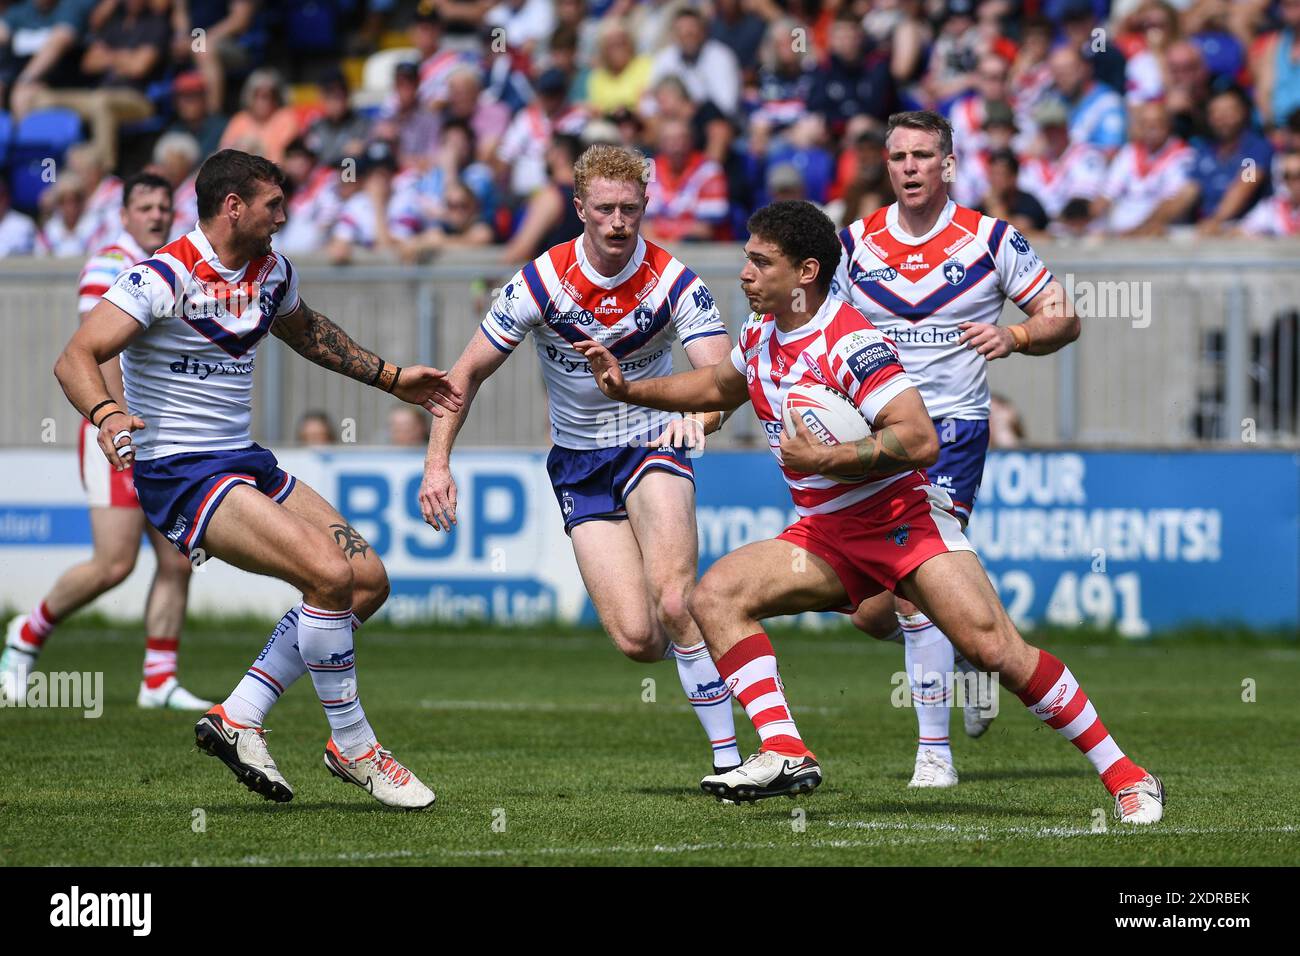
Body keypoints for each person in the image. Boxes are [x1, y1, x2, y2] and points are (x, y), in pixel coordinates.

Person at [575, 199, 1165, 826]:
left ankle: (1129, 777)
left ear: (805, 272)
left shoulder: (852, 342)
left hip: (901, 524)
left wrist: (832, 458)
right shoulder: (761, 332)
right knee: (716, 595)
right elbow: (721, 386)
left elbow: (919, 439)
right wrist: (629, 388)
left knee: (998, 654)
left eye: (759, 261)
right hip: (827, 534)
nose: (744, 273)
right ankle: (785, 750)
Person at [49, 149, 463, 809]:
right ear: (233, 206)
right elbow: (76, 355)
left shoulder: (272, 271)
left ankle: (240, 714)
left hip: (243, 460)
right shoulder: (163, 276)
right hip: (181, 472)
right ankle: (355, 748)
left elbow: (306, 331)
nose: (284, 215)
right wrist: (105, 412)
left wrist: (392, 378)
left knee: (367, 583)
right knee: (328, 574)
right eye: (273, 205)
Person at [418, 143, 744, 778]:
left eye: (630, 208)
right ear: (579, 210)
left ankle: (732, 761)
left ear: (646, 205)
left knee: (676, 600)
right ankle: (727, 638)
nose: (619, 222)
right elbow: (465, 375)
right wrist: (437, 463)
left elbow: (723, 383)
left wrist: (694, 422)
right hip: (578, 460)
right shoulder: (541, 282)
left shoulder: (676, 282)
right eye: (605, 210)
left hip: (652, 441)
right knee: (638, 638)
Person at [830, 110, 1080, 789]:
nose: (910, 167)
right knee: (865, 610)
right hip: (876, 433)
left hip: (950, 434)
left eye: (923, 156)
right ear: (887, 165)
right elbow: (818, 329)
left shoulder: (991, 240)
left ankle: (933, 754)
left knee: (913, 589)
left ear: (947, 164)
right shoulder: (853, 244)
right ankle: (971, 653)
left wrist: (1018, 338)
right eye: (899, 157)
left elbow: (1064, 317)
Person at [2, 172, 209, 712]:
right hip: (117, 431)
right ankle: (27, 634)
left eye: (164, 206)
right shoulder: (108, 264)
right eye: (145, 206)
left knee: (178, 558)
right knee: (114, 563)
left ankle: (158, 678)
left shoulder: (176, 262)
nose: (157, 215)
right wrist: (114, 419)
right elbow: (96, 351)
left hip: (164, 437)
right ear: (123, 215)